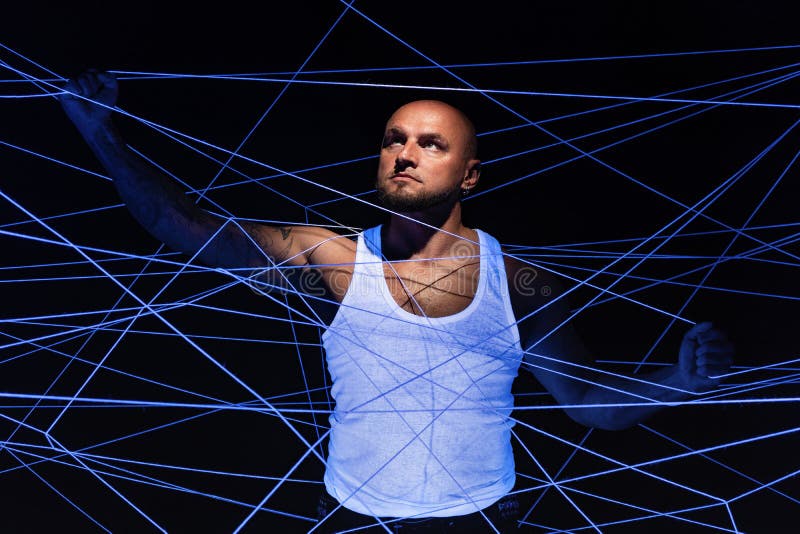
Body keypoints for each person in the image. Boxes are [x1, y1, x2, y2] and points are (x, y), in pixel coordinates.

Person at [59, 70, 734, 533]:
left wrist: (678, 380)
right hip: (358, 518)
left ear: (470, 172)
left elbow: (589, 403)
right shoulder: (333, 261)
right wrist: (99, 133)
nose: (404, 154)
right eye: (394, 140)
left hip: (481, 523)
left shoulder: (519, 282)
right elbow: (182, 227)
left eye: (430, 144)